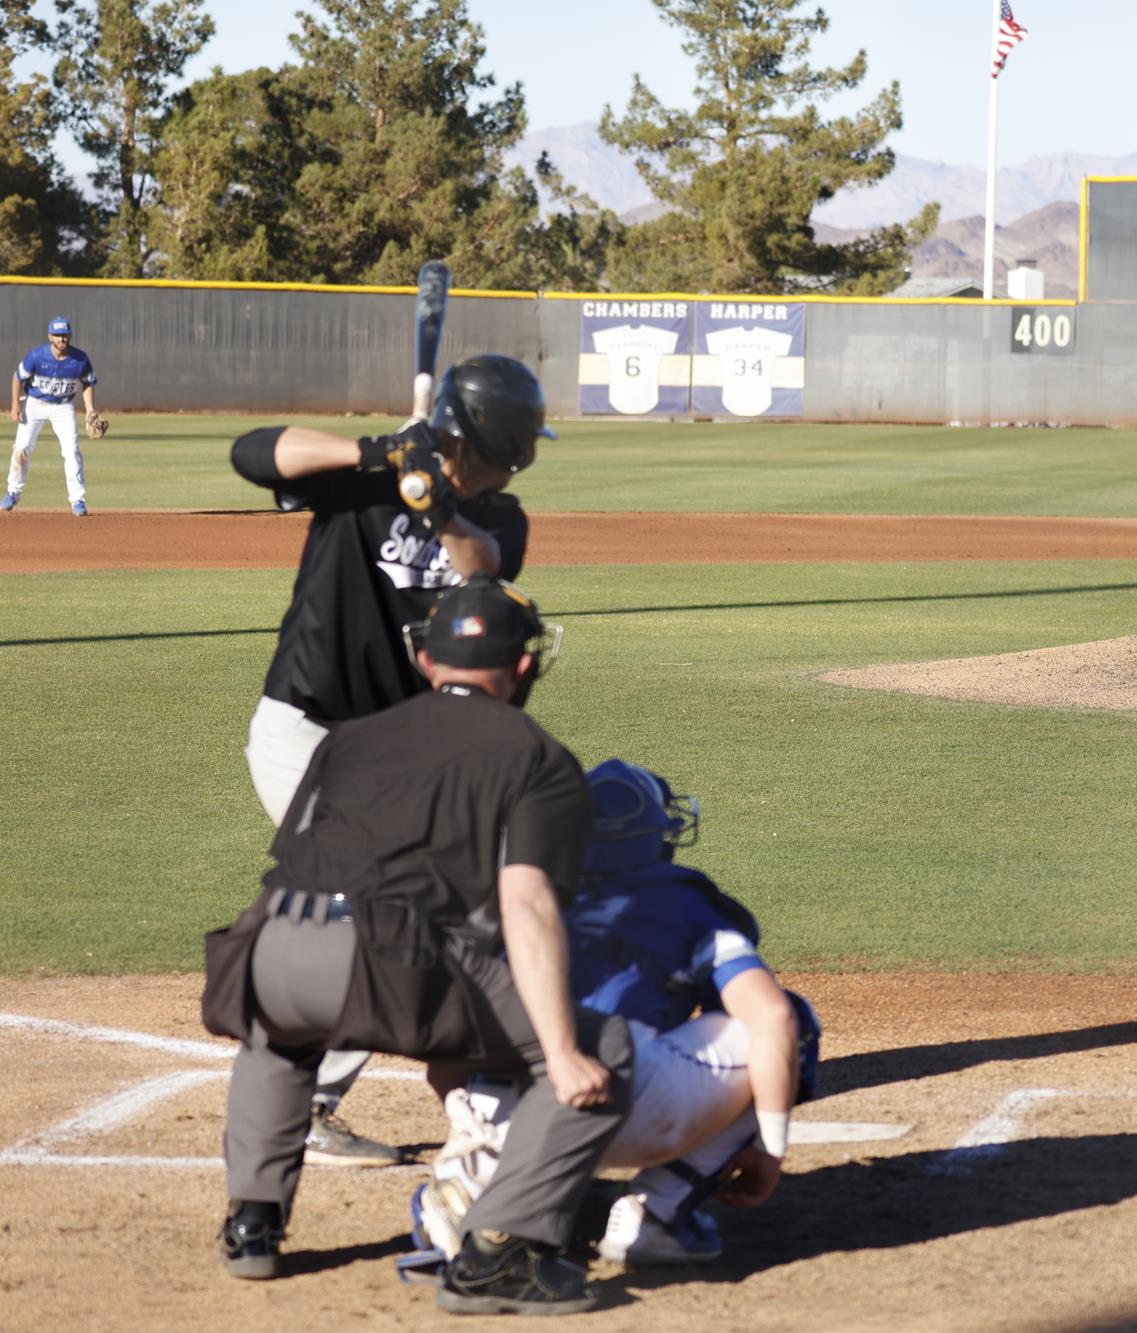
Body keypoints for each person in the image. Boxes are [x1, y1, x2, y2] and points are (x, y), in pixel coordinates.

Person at [204, 576, 632, 1316]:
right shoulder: (536, 755)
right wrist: (561, 1050)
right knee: (603, 1045)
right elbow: (526, 903)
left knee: (279, 1036)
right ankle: (501, 1252)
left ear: (428, 661)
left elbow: (297, 854)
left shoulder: (351, 735)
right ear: (524, 666)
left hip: (269, 946)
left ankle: (253, 1226)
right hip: (388, 962)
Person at [230, 353, 552, 1168]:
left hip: (395, 756)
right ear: (492, 440)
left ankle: (334, 1090)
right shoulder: (363, 481)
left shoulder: (499, 515)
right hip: (306, 730)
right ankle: (312, 1101)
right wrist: (377, 453)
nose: (520, 464)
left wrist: (435, 502)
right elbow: (254, 452)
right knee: (381, 900)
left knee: (398, 905)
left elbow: (484, 571)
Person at [405, 758, 819, 1273]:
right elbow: (773, 1020)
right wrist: (772, 1150)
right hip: (640, 1105)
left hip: (513, 1113)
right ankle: (658, 1215)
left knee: (494, 1034)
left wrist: (464, 1118)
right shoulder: (688, 900)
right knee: (793, 1023)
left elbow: (443, 1031)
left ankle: (476, 1177)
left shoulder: (518, 902)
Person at [6, 316, 101, 516]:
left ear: (70, 336)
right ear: (50, 336)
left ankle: (77, 500)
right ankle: (13, 492)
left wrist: (90, 409)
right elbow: (18, 377)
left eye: (65, 335)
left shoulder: (80, 359)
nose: (61, 339)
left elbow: (88, 383)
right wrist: (15, 405)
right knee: (21, 448)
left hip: (63, 407)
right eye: (57, 335)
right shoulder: (37, 356)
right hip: (34, 404)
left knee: (72, 451)